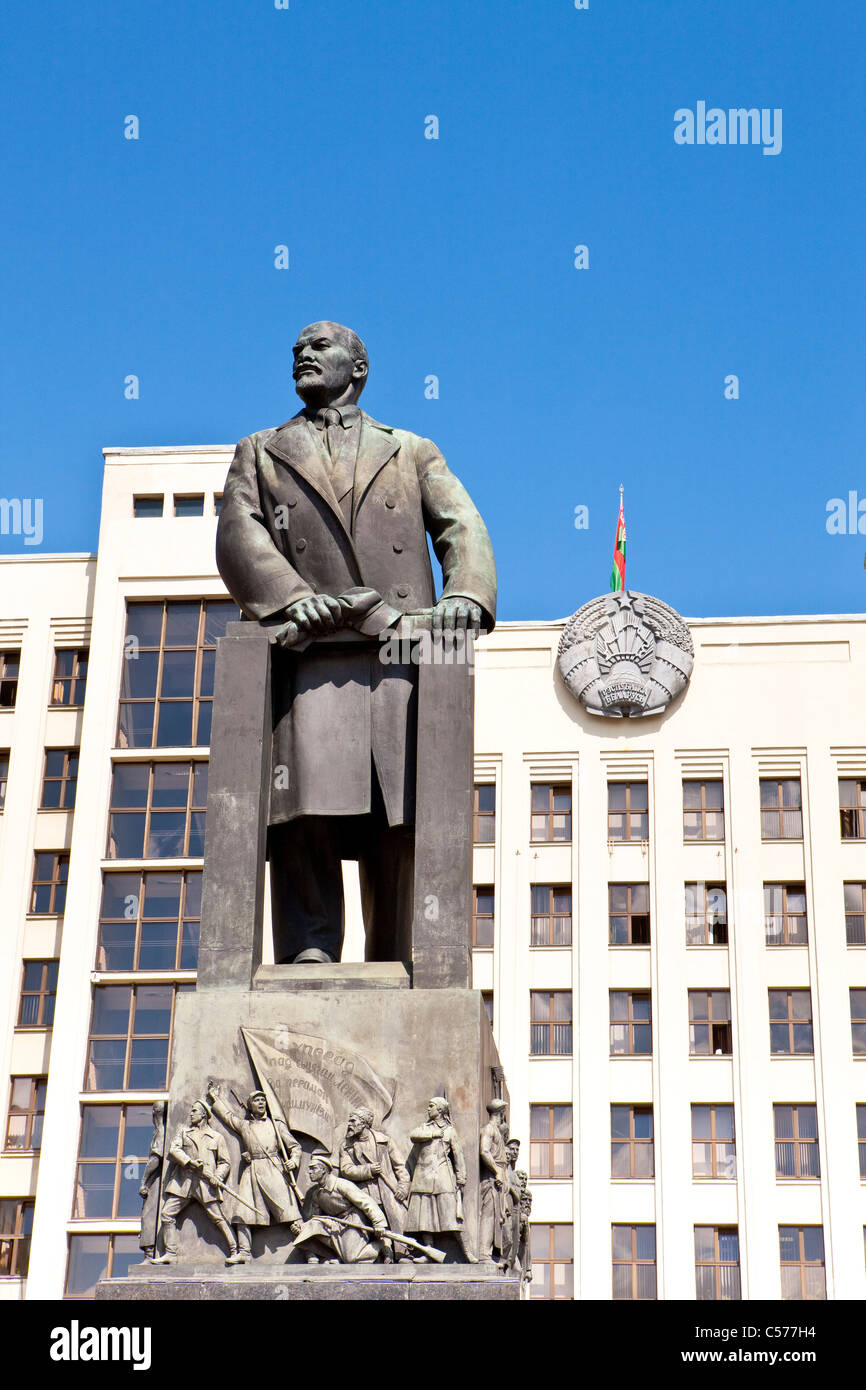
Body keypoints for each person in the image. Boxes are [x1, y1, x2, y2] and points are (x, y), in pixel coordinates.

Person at [215, 321, 497, 965]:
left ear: (358, 366)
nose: (303, 356)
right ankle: (310, 948)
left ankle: (396, 950)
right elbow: (240, 533)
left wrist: (465, 596)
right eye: (296, 350)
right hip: (313, 649)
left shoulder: (411, 450)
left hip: (397, 651)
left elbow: (462, 525)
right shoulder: (261, 449)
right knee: (302, 804)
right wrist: (291, 597)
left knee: (396, 810)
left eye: (320, 347)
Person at [206, 1082, 302, 1261]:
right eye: (257, 1101)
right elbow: (228, 1117)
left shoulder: (276, 1125)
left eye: (263, 1100)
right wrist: (215, 1098)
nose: (261, 1103)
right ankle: (244, 1253)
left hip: (274, 1169)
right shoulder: (245, 1125)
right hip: (252, 1172)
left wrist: (294, 1161)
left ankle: (311, 1251)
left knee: (290, 1213)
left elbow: (295, 1146)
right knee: (242, 1213)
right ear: (250, 1106)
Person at [155, 1099, 242, 1265]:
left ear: (203, 1114)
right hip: (184, 1183)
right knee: (167, 1214)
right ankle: (170, 1253)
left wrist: (218, 1176)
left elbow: (225, 1162)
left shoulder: (216, 1137)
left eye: (194, 1111)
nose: (191, 1113)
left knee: (217, 1217)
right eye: (191, 1110)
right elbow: (174, 1150)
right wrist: (189, 1162)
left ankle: (234, 1250)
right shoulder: (183, 1132)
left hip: (205, 1184)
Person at [338, 1107, 410, 1261]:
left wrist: (403, 1187)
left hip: (387, 1191)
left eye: (353, 1121)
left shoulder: (384, 1141)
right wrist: (367, 1170)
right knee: (374, 1226)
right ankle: (384, 1252)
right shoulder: (346, 1145)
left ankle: (403, 1253)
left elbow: (400, 1166)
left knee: (395, 1221)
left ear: (364, 1123)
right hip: (364, 1193)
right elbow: (345, 1169)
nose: (349, 1124)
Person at [404, 1096, 472, 1261]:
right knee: (425, 1218)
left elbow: (458, 1156)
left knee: (453, 1217)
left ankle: (467, 1252)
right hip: (424, 1176)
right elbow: (414, 1135)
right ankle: (429, 1252)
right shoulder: (424, 1128)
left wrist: (461, 1178)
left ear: (440, 1110)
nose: (428, 1109)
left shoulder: (449, 1131)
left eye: (431, 1106)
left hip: (442, 1176)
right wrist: (434, 1133)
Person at [292, 1152, 388, 1263]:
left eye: (313, 1168)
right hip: (335, 1224)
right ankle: (331, 1255)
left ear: (323, 1170)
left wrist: (379, 1223)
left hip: (354, 1221)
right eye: (309, 1169)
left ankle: (380, 1245)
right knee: (306, 1230)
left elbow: (366, 1202)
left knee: (351, 1258)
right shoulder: (316, 1194)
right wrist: (301, 1227)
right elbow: (316, 1217)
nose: (309, 1172)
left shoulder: (341, 1185)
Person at [478, 1097, 508, 1262]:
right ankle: (484, 1253)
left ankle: (490, 1252)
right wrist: (497, 1171)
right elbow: (484, 1151)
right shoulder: (489, 1129)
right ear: (500, 1113)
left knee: (498, 1216)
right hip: (491, 1178)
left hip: (497, 1177)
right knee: (489, 1214)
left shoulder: (497, 1131)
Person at [137, 1100, 165, 1262]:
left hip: (156, 1182)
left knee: (149, 1215)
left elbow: (155, 1158)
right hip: (158, 1181)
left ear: (155, 1113)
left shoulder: (161, 1131)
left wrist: (144, 1182)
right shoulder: (160, 1131)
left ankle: (150, 1254)